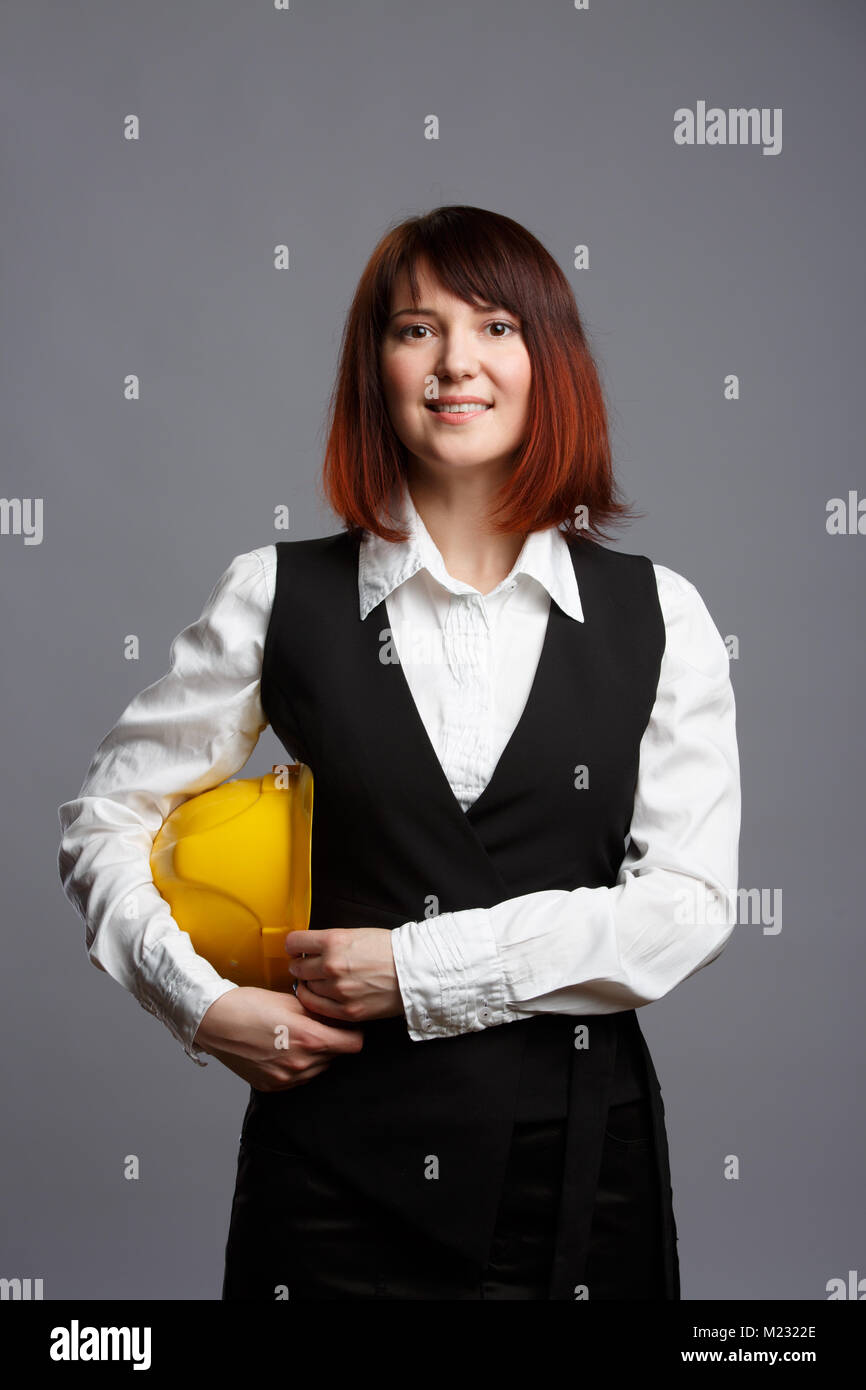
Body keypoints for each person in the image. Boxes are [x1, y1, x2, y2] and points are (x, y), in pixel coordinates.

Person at [57, 204, 740, 1301]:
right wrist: (201, 1003)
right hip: (330, 1183)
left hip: (574, 1180)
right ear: (373, 367)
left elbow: (690, 906)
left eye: (496, 327)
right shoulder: (274, 595)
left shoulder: (663, 615)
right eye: (416, 330)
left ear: (547, 362)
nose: (455, 362)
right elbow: (105, 819)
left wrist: (412, 972)